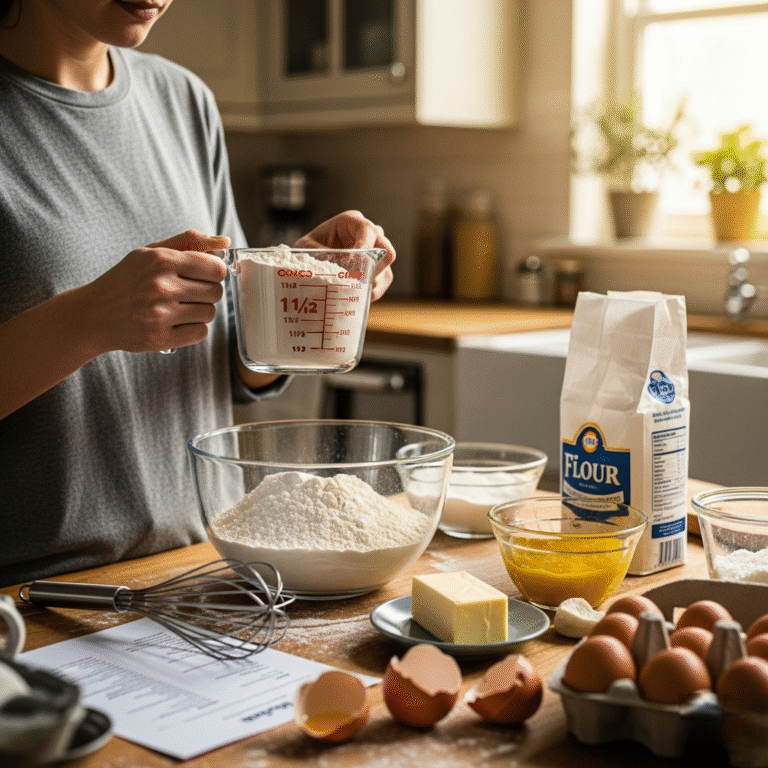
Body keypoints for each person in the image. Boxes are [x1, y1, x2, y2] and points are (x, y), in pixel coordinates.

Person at [0, 0, 396, 586]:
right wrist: (90, 319)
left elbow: (233, 368)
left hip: (203, 575)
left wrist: (291, 290)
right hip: (34, 599)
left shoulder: (184, 101)